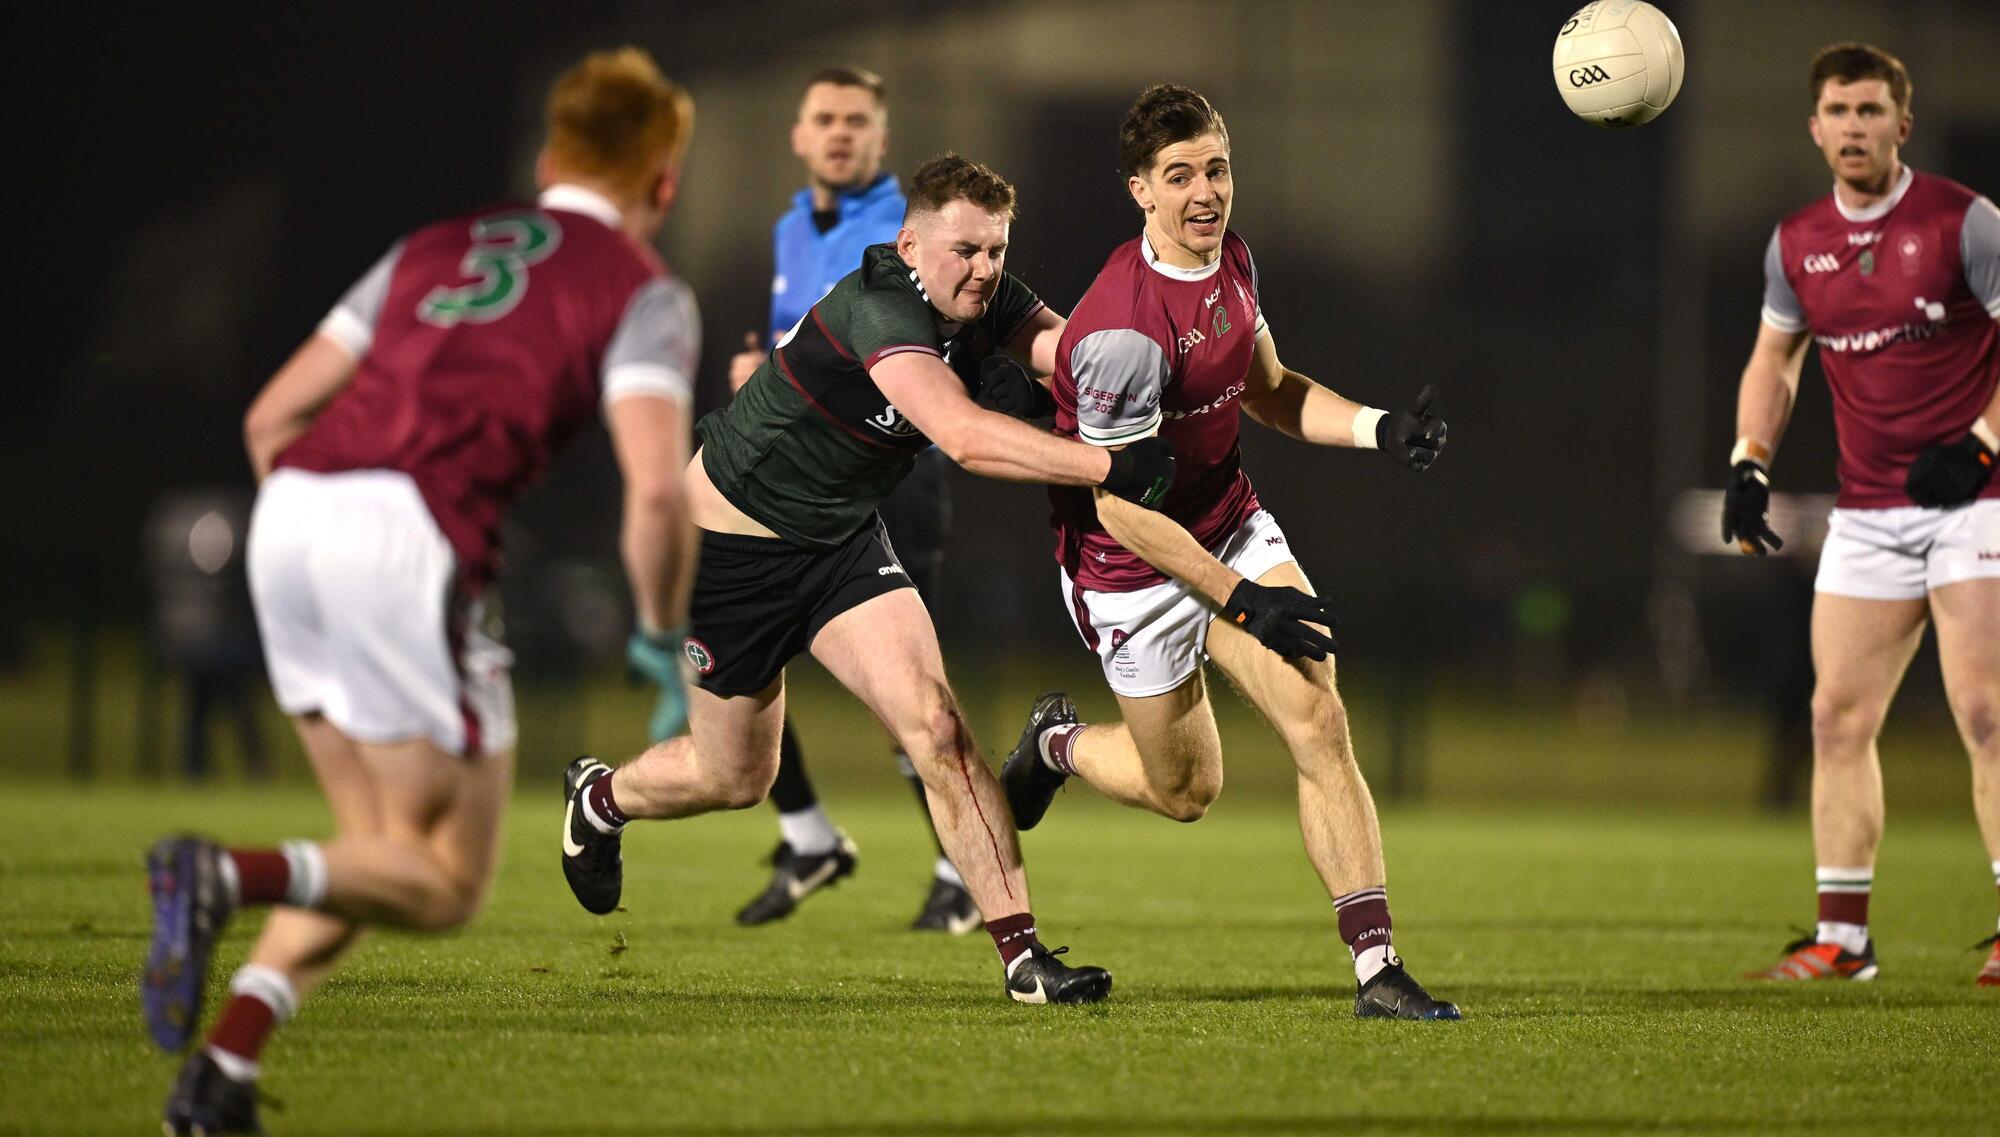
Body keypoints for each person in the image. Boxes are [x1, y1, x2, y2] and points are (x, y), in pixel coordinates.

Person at [140, 48, 703, 1135]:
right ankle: (218, 873)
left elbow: (270, 418)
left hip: (291, 510)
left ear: (548, 158)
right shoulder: (642, 288)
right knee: (445, 885)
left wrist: (313, 544)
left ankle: (221, 1077)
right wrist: (661, 630)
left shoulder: (429, 247)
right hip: (407, 536)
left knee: (370, 854)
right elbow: (652, 499)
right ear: (662, 184)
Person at [559, 153, 1178, 1005]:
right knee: (734, 777)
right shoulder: (881, 306)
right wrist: (1105, 460)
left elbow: (1066, 349)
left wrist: (1150, 369)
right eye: (965, 250)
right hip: (726, 554)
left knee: (939, 727)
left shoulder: (978, 290)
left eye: (996, 251)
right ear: (910, 243)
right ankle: (600, 798)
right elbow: (962, 436)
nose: (985, 269)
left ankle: (1024, 960)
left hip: (841, 543)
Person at [997, 84, 1461, 1021]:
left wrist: (1379, 428)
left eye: (1216, 168)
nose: (1205, 192)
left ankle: (1377, 970)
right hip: (1129, 567)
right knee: (1186, 790)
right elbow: (1121, 508)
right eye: (1180, 176)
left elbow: (1273, 389)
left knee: (1317, 713)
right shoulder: (1122, 332)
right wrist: (1239, 602)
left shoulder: (1231, 261)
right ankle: (1058, 743)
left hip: (1228, 523)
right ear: (1139, 190)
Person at [1722, 44, 2000, 986]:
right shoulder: (1797, 241)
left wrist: (1984, 444)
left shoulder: (1965, 222)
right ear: (1815, 127)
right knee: (1836, 716)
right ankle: (1843, 938)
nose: (1853, 127)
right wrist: (1749, 464)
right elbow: (1774, 359)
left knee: (1986, 710)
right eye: (1838, 111)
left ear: (1902, 125)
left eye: (1871, 111)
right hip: (1870, 508)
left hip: (1977, 498)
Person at [721, 67, 977, 933]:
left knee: (905, 692)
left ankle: (961, 868)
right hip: (801, 479)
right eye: (823, 117)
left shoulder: (906, 230)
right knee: (739, 658)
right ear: (798, 134)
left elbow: (890, 345)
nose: (838, 132)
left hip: (895, 477)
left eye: (856, 120)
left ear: (881, 137)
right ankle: (808, 836)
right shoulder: (793, 226)